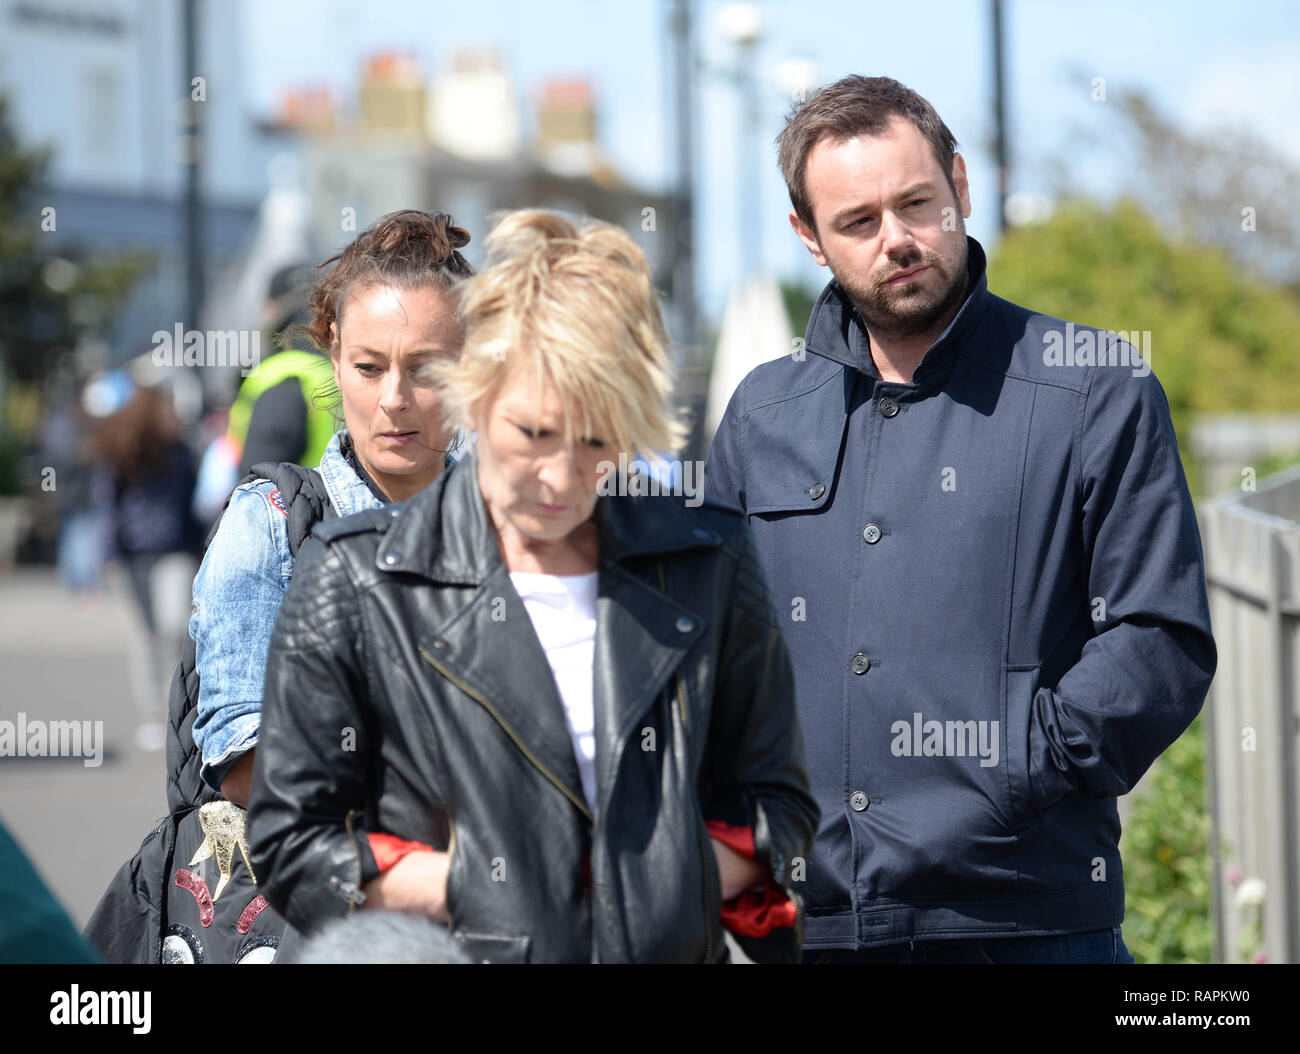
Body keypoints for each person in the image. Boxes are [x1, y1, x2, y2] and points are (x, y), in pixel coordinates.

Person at [703, 75, 1217, 964]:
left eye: (917, 203)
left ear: (962, 188)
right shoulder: (760, 415)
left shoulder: (1094, 388)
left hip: (1027, 924)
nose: (897, 240)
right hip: (814, 930)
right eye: (859, 222)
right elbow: (710, 647)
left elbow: (1160, 637)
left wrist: (1015, 768)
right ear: (809, 238)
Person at [248, 209, 819, 964]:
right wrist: (476, 888)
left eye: (595, 441)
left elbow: (777, 804)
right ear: (475, 398)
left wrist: (665, 883)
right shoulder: (356, 577)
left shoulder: (708, 558)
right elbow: (295, 841)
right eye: (533, 434)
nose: (560, 477)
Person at [192, 209, 474, 806]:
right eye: (369, 368)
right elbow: (240, 759)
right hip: (327, 889)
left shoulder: (505, 525)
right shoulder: (270, 523)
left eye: (426, 368)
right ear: (334, 354)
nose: (394, 399)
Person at [90, 383, 204, 751]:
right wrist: (108, 554)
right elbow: (107, 505)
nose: (175, 417)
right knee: (143, 635)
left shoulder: (183, 453)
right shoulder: (124, 453)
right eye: (168, 411)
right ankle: (154, 714)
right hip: (131, 556)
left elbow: (195, 504)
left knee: (174, 626)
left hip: (175, 552)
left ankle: (180, 710)